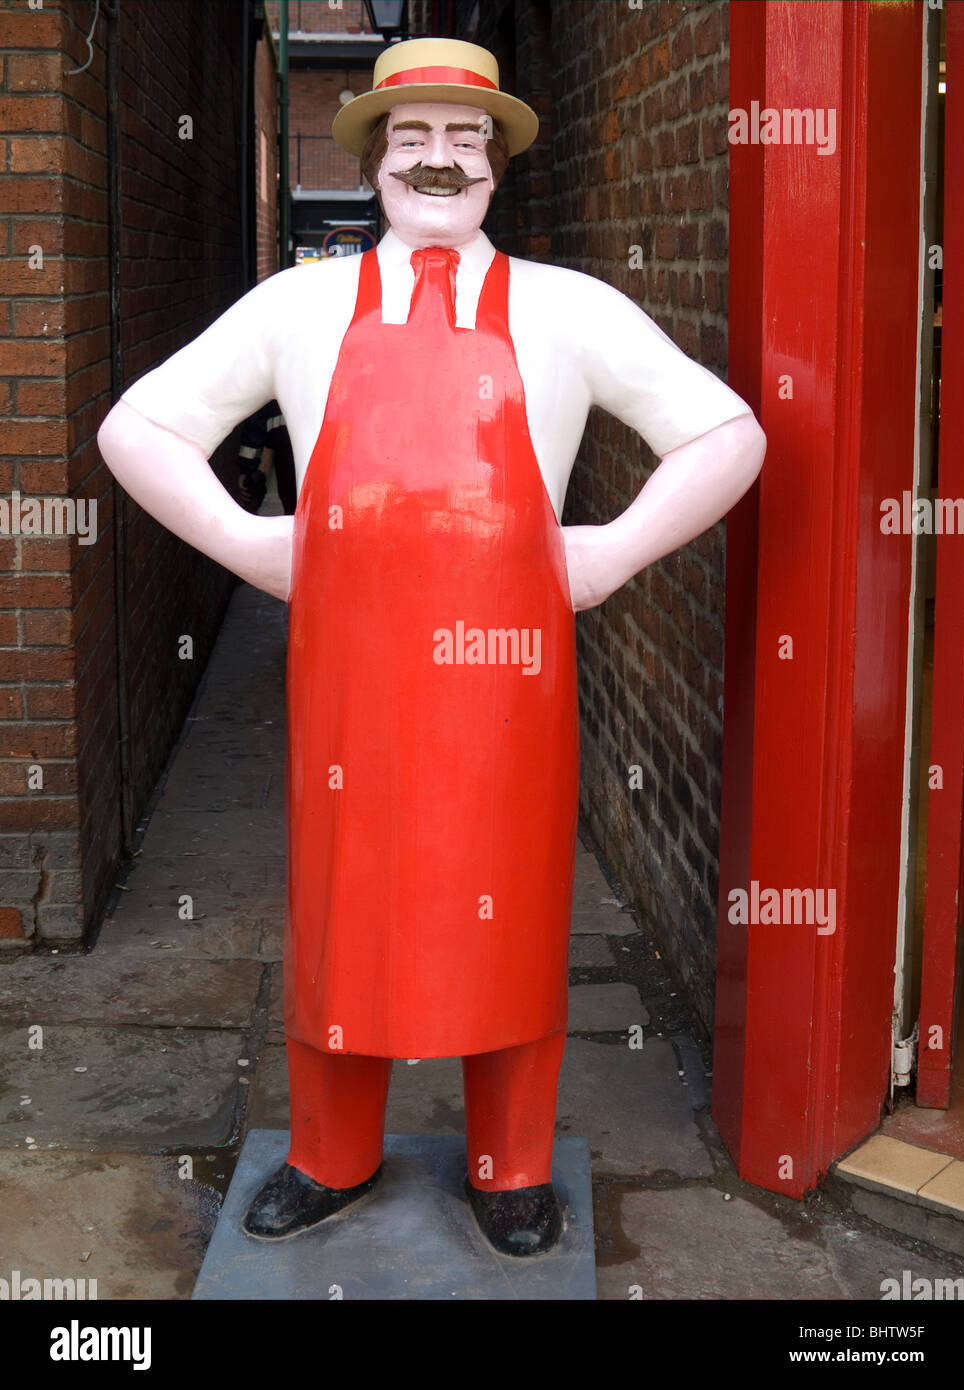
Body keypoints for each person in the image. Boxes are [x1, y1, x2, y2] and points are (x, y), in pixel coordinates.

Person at [97, 37, 766, 1258]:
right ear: (372, 159)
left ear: (498, 164)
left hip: (509, 682)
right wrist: (256, 546)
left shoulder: (569, 311)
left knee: (507, 906)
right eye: (411, 134)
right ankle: (326, 1150)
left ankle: (508, 1161)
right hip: (348, 677)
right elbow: (139, 423)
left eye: (466, 137)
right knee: (341, 902)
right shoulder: (297, 307)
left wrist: (602, 553)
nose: (438, 158)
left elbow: (723, 432)